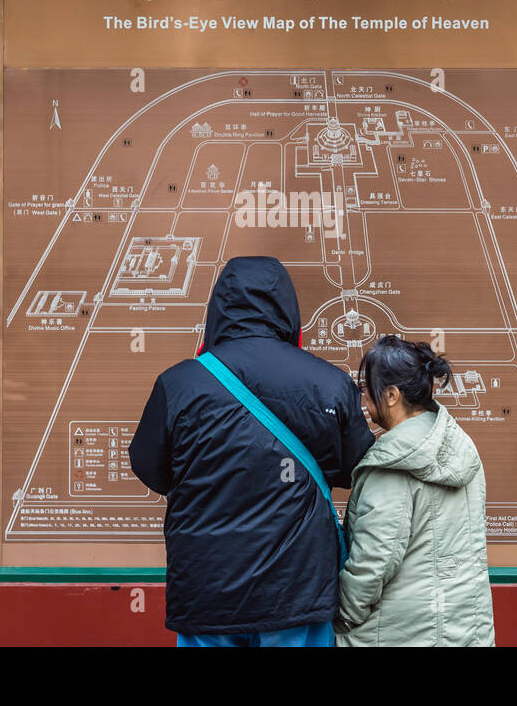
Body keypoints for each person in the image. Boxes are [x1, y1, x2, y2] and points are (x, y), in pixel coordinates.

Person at [129, 256, 374, 646]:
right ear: (287, 309)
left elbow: (150, 469)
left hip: (206, 587)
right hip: (296, 588)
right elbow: (355, 469)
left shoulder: (178, 384)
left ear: (218, 309)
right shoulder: (329, 383)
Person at [335, 335, 495, 646]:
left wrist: (343, 617)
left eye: (368, 389)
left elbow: (374, 561)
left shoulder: (391, 464)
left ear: (392, 395)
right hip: (464, 630)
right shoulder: (459, 447)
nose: (364, 399)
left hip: (401, 633)